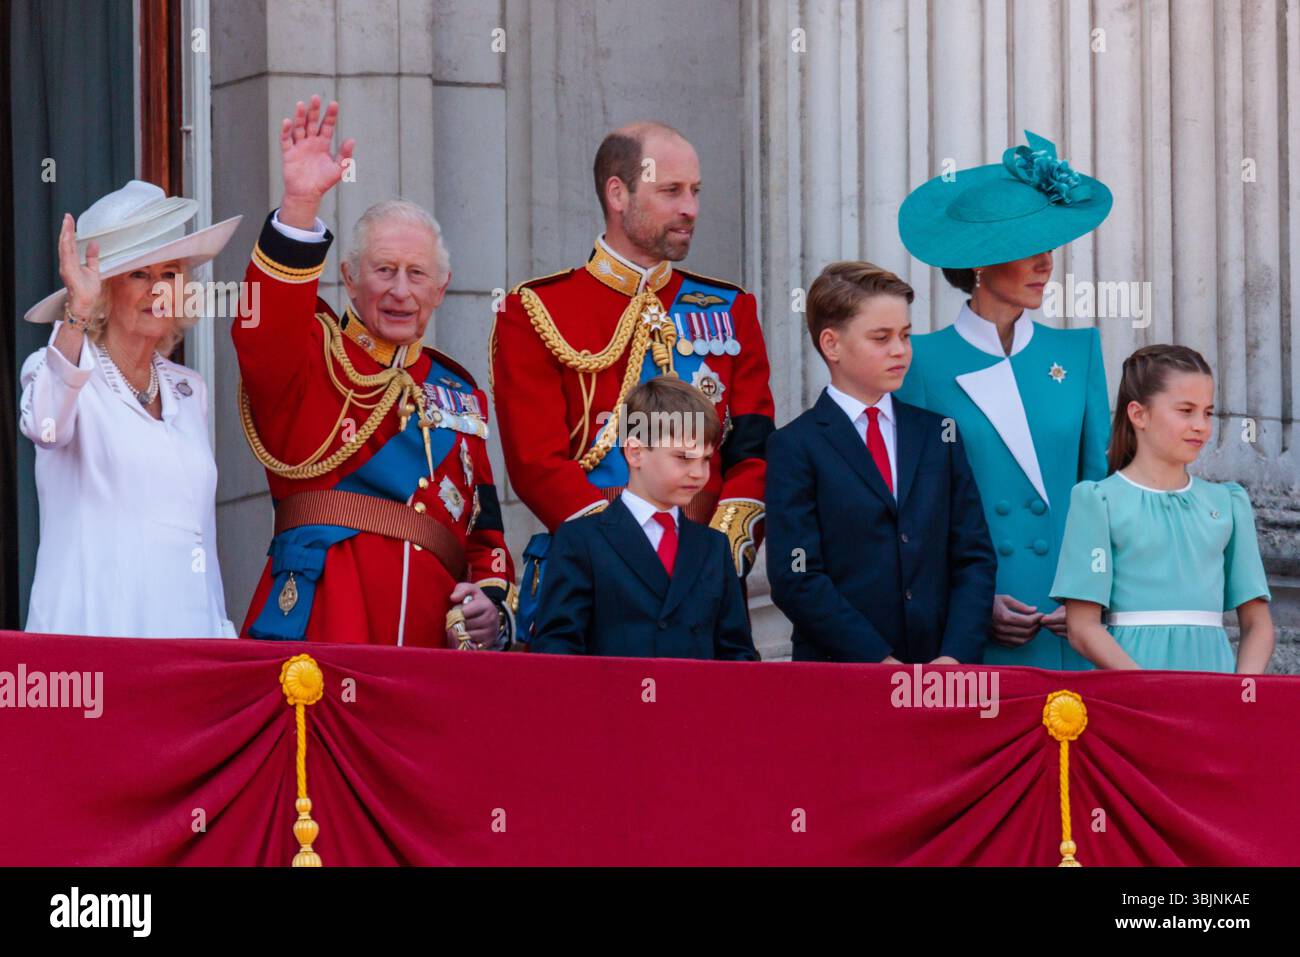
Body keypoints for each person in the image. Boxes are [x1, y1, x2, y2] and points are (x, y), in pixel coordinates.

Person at [233, 96, 515, 648]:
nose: (401, 291)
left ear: (442, 286)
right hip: (323, 627)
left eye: (417, 274)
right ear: (349, 276)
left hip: (430, 650)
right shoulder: (313, 356)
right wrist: (298, 206)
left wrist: (489, 603)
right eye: (384, 270)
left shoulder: (461, 395)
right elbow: (261, 330)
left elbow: (484, 536)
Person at [492, 121, 776, 640]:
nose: (690, 208)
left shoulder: (732, 309)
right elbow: (535, 464)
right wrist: (619, 550)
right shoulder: (536, 309)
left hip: (706, 583)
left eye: (694, 191)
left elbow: (753, 449)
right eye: (671, 191)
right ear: (617, 193)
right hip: (591, 582)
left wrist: (714, 554)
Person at [894, 130, 1113, 669]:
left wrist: (1094, 594)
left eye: (1049, 247)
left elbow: (1103, 493)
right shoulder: (919, 360)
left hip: (1071, 625)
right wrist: (969, 601)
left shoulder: (1079, 351)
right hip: (974, 627)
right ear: (979, 264)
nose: (1045, 263)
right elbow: (916, 512)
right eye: (1025, 249)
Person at [19, 180, 241, 637]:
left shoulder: (189, 390)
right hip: (94, 644)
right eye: (139, 274)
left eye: (170, 273)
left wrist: (219, 634)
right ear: (103, 291)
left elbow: (200, 535)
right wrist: (74, 316)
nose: (157, 289)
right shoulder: (57, 369)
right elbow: (44, 427)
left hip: (185, 646)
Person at [766, 262, 996, 663]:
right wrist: (878, 661)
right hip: (843, 681)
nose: (900, 350)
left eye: (905, 336)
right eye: (881, 338)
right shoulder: (794, 446)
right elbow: (796, 576)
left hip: (941, 672)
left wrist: (954, 656)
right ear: (831, 345)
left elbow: (973, 556)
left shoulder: (939, 434)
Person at [1050, 345, 1274, 672]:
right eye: (1186, 410)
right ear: (1138, 414)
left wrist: (1241, 692)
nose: (1201, 425)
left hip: (1214, 686)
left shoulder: (1228, 503)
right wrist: (1149, 690)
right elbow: (1083, 628)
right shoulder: (1098, 501)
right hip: (1131, 694)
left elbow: (1257, 623)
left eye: (1208, 412)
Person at [531, 376, 757, 660]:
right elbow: (559, 650)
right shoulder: (581, 540)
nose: (699, 473)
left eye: (706, 459)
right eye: (684, 458)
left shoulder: (714, 546)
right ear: (635, 452)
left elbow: (737, 652)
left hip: (696, 703)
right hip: (614, 702)